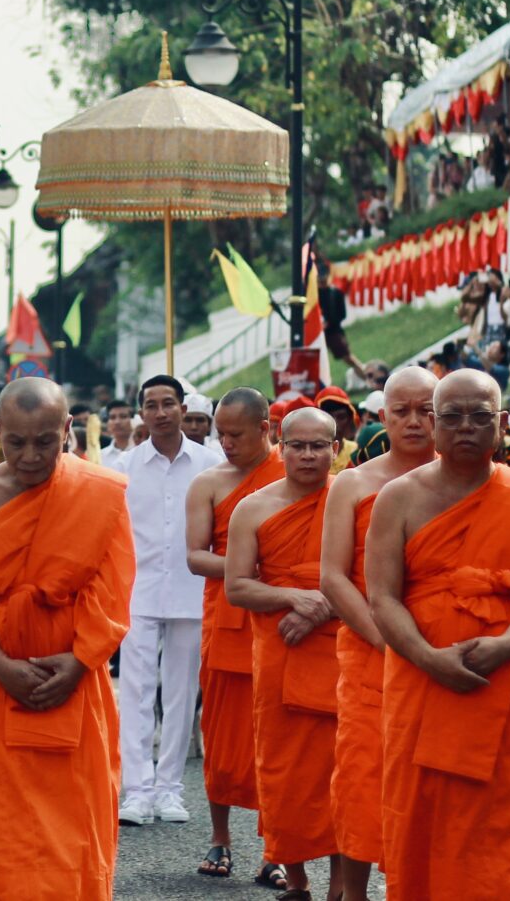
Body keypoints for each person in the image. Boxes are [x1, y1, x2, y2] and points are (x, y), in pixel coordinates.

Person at [364, 369, 510, 900]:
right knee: (419, 823)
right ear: (434, 425)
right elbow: (383, 597)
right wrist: (429, 658)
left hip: (502, 692)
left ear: (502, 425)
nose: (466, 427)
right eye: (452, 416)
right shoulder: (397, 498)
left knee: (496, 834)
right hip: (420, 687)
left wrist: (506, 644)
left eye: (480, 416)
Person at [0, 376, 132, 900]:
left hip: (73, 675)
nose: (30, 456)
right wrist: (0, 664)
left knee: (74, 825)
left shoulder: (96, 493)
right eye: (16, 441)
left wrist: (78, 662)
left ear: (68, 429)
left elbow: (113, 592)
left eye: (45, 441)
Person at [317, 364, 437, 901]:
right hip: (372, 653)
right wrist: (391, 643)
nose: (415, 422)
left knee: (429, 781)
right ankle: (355, 892)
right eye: (402, 411)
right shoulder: (355, 482)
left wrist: (429, 651)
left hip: (442, 654)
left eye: (426, 410)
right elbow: (333, 577)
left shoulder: (470, 482)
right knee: (363, 775)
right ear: (382, 417)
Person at [226, 404, 342, 896]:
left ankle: (342, 887)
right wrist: (292, 596)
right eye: (298, 445)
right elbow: (236, 587)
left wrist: (322, 606)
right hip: (278, 651)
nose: (308, 455)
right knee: (284, 770)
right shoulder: (253, 507)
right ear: (280, 443)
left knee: (344, 770)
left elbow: (375, 579)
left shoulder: (356, 500)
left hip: (342, 653)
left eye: (320, 446)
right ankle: (296, 881)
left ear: (336, 449)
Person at [112, 374, 223, 825]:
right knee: (137, 691)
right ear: (142, 413)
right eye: (151, 405)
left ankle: (170, 789)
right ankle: (136, 790)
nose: (160, 412)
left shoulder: (210, 463)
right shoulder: (123, 467)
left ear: (183, 408)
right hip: (136, 590)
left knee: (181, 692)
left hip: (191, 588)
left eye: (168, 404)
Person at [182, 386, 284, 878]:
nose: (225, 443)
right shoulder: (209, 482)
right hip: (226, 617)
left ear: (266, 429)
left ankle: (277, 850)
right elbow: (196, 555)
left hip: (282, 620)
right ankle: (220, 838)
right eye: (220, 433)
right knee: (222, 735)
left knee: (280, 738)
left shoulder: (293, 476)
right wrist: (243, 567)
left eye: (236, 434)